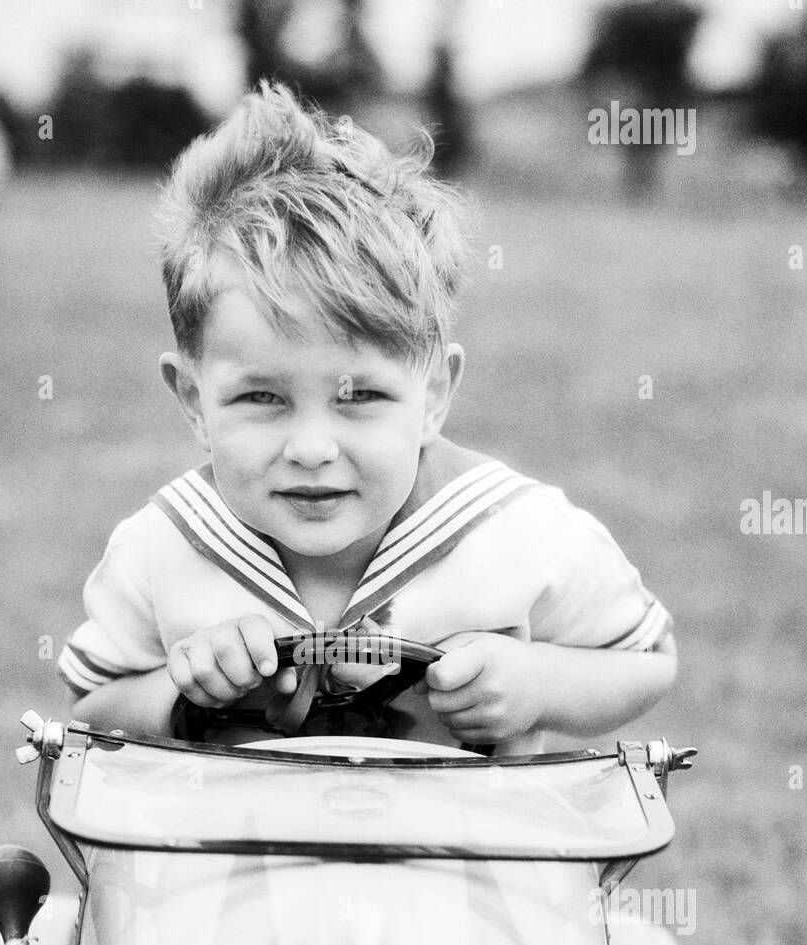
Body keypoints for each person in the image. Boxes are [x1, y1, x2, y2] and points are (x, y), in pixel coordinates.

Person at [59, 81, 676, 755]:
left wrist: (535, 684)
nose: (312, 448)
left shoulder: (513, 530)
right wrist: (181, 697)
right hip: (229, 858)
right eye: (261, 398)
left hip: (466, 855)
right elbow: (92, 709)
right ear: (193, 401)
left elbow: (643, 659)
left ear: (433, 393)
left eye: (359, 398)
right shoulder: (163, 547)